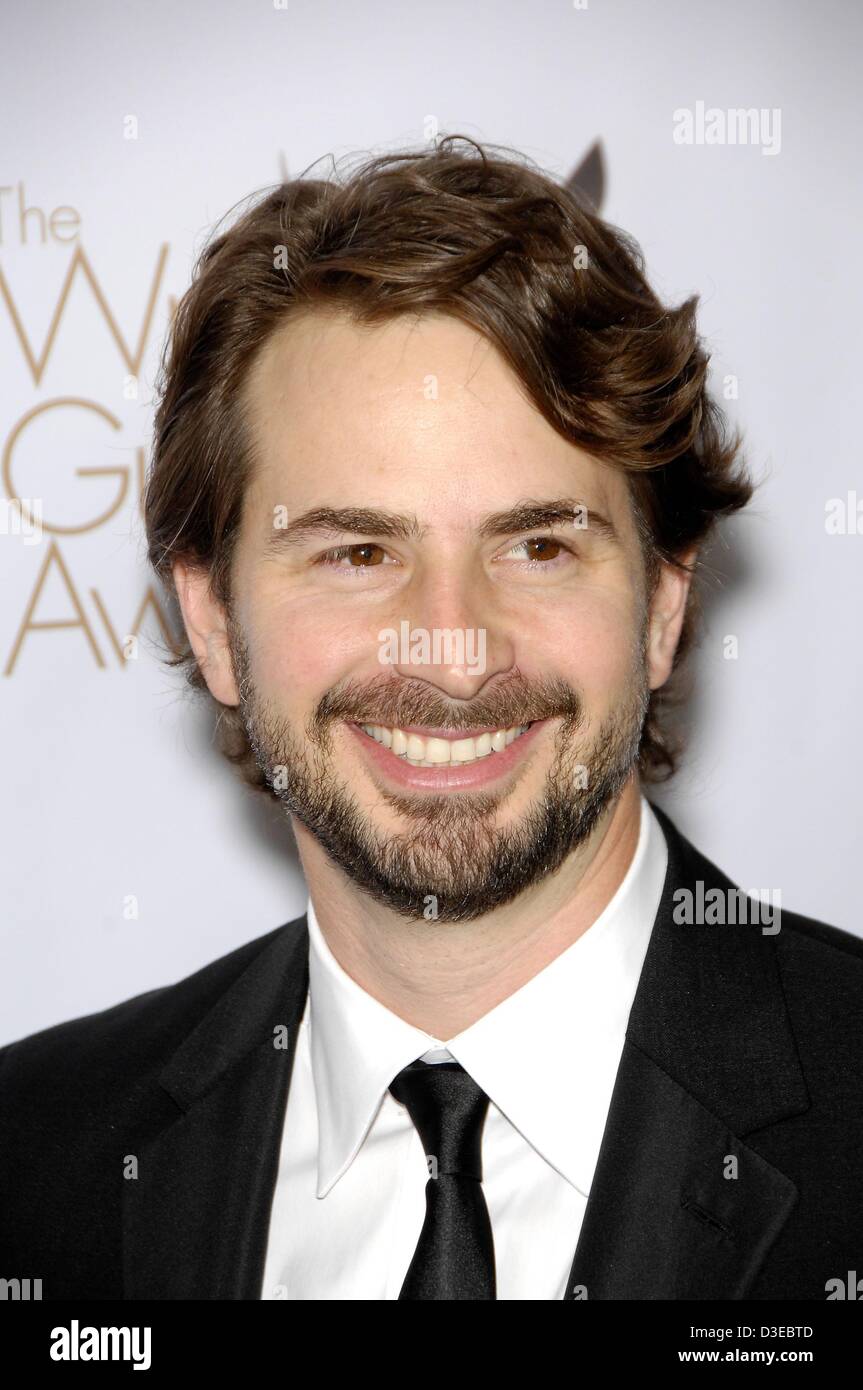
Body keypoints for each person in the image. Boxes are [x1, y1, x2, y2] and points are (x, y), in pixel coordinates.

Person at [2, 136, 861, 1301]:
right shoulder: (35, 1155)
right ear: (210, 621)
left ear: (661, 602)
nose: (450, 648)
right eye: (358, 551)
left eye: (537, 544)